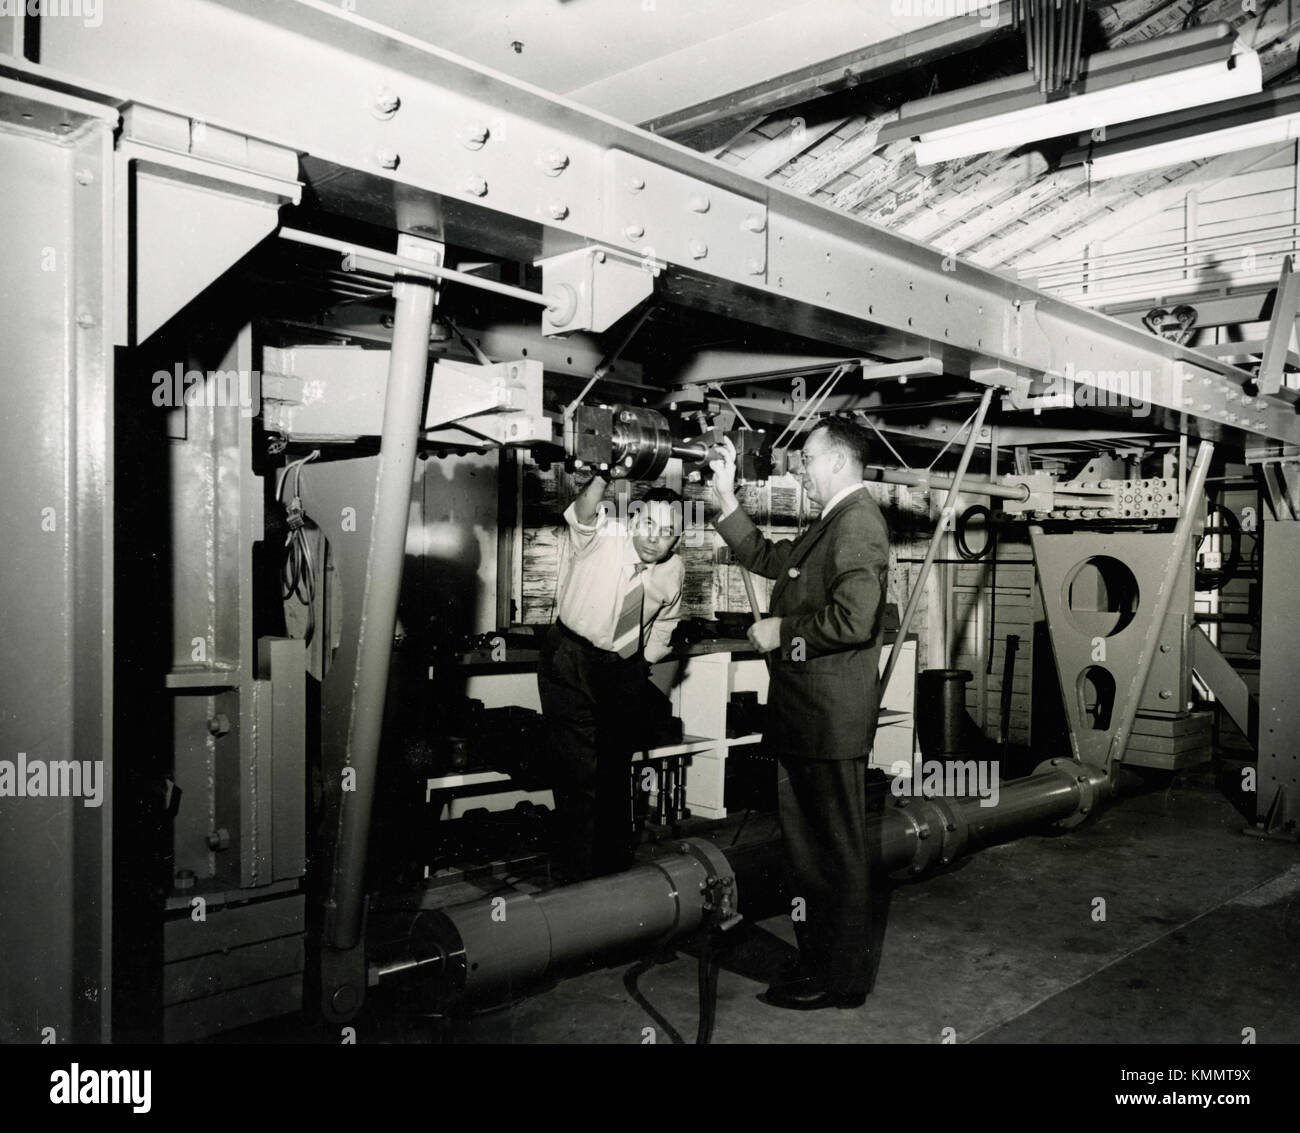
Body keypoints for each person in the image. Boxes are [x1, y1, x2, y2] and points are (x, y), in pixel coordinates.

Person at [710, 416, 889, 1010]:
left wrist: (780, 630)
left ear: (837, 461)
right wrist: (727, 502)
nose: (800, 470)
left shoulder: (859, 521)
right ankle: (819, 964)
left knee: (833, 858)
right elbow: (773, 557)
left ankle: (841, 982)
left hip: (827, 722)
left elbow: (853, 621)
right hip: (807, 719)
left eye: (808, 458)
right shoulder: (834, 522)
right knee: (810, 859)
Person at [537, 475, 685, 880]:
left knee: (616, 771)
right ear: (635, 519)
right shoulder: (604, 533)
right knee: (577, 771)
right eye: (650, 525)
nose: (656, 539)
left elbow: (665, 622)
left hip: (622, 667)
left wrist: (642, 663)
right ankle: (576, 880)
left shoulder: (673, 569)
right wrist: (603, 474)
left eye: (669, 533)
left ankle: (614, 876)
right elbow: (582, 514)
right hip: (571, 656)